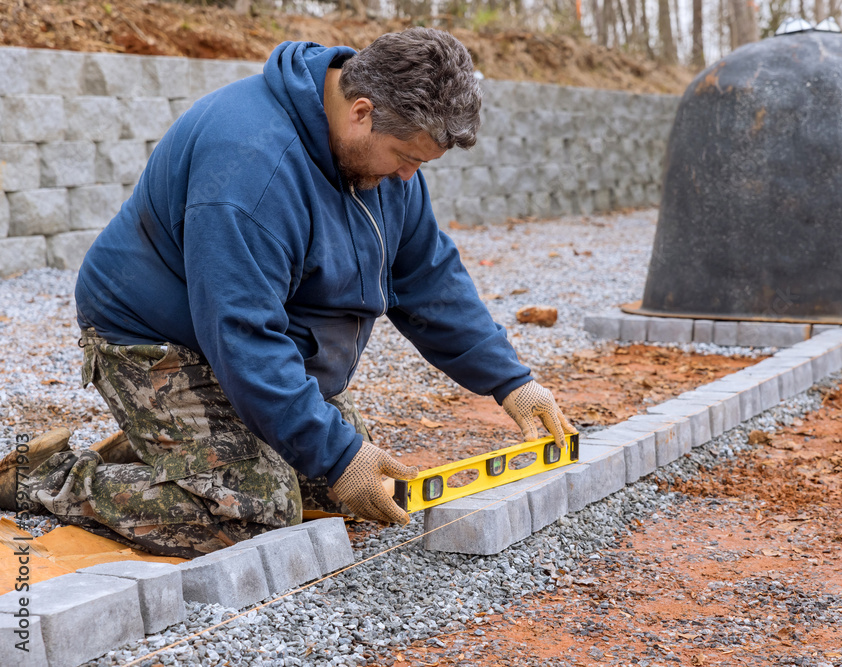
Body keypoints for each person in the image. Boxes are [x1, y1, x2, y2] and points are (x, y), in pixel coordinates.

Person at [0, 29, 573, 559]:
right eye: (406, 158)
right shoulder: (252, 167)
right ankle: (48, 478)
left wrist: (511, 382)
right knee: (255, 512)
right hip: (154, 336)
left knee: (348, 484)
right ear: (361, 112)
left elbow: (426, 277)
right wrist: (338, 454)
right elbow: (241, 333)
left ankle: (178, 444)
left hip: (243, 336)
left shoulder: (380, 159)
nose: (408, 178)